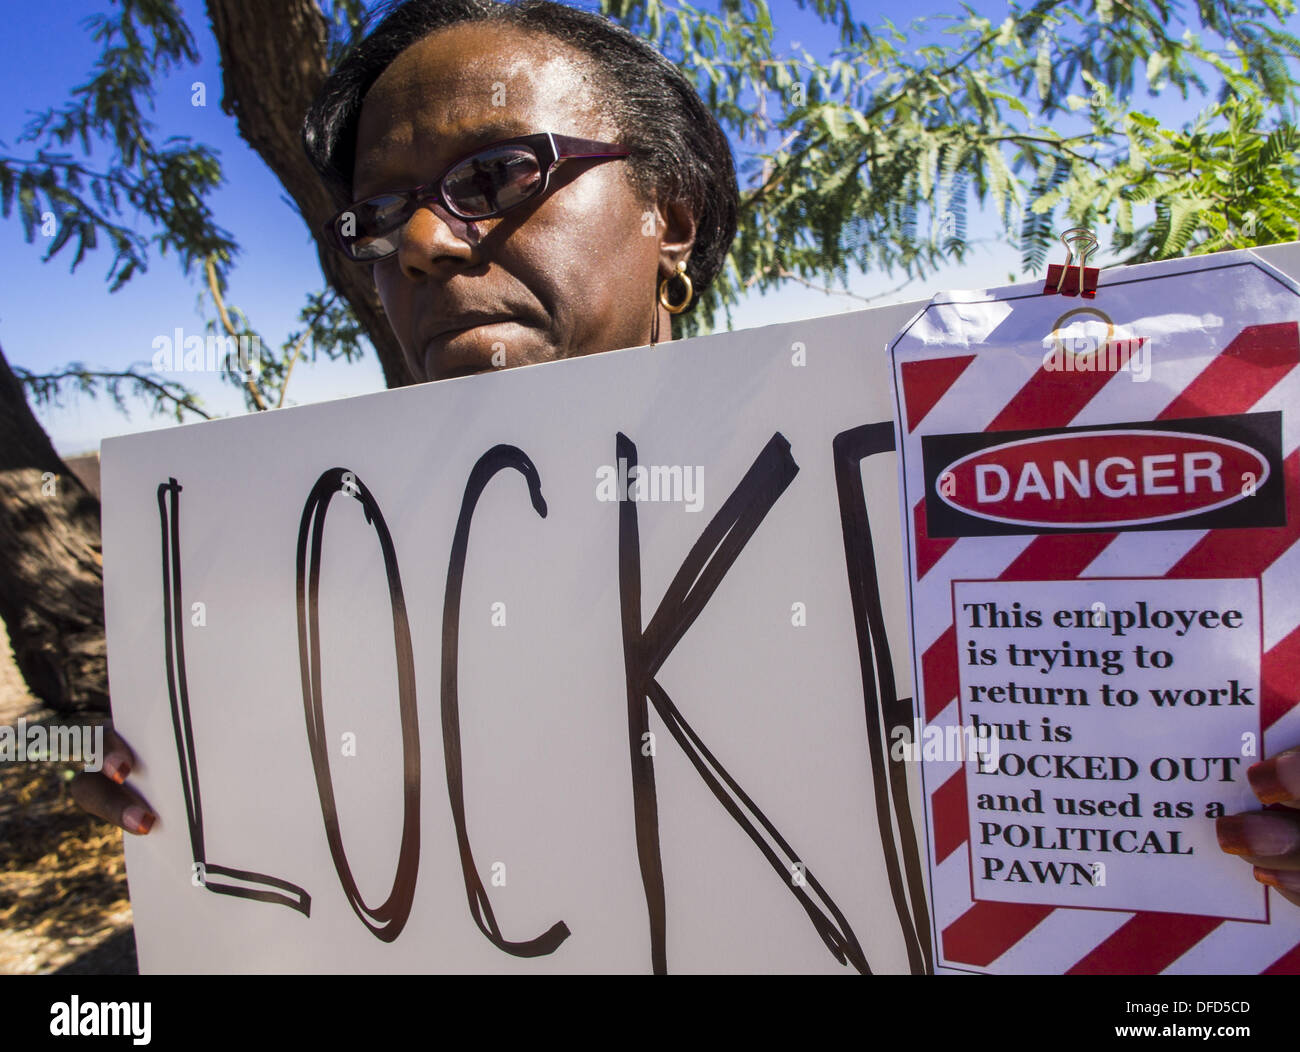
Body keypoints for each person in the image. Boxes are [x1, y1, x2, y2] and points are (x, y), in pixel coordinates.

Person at [72, 0, 1300, 919]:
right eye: (380, 215)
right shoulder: (295, 554)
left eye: (496, 174)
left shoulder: (942, 476)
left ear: (672, 220)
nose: (428, 245)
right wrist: (154, 763)